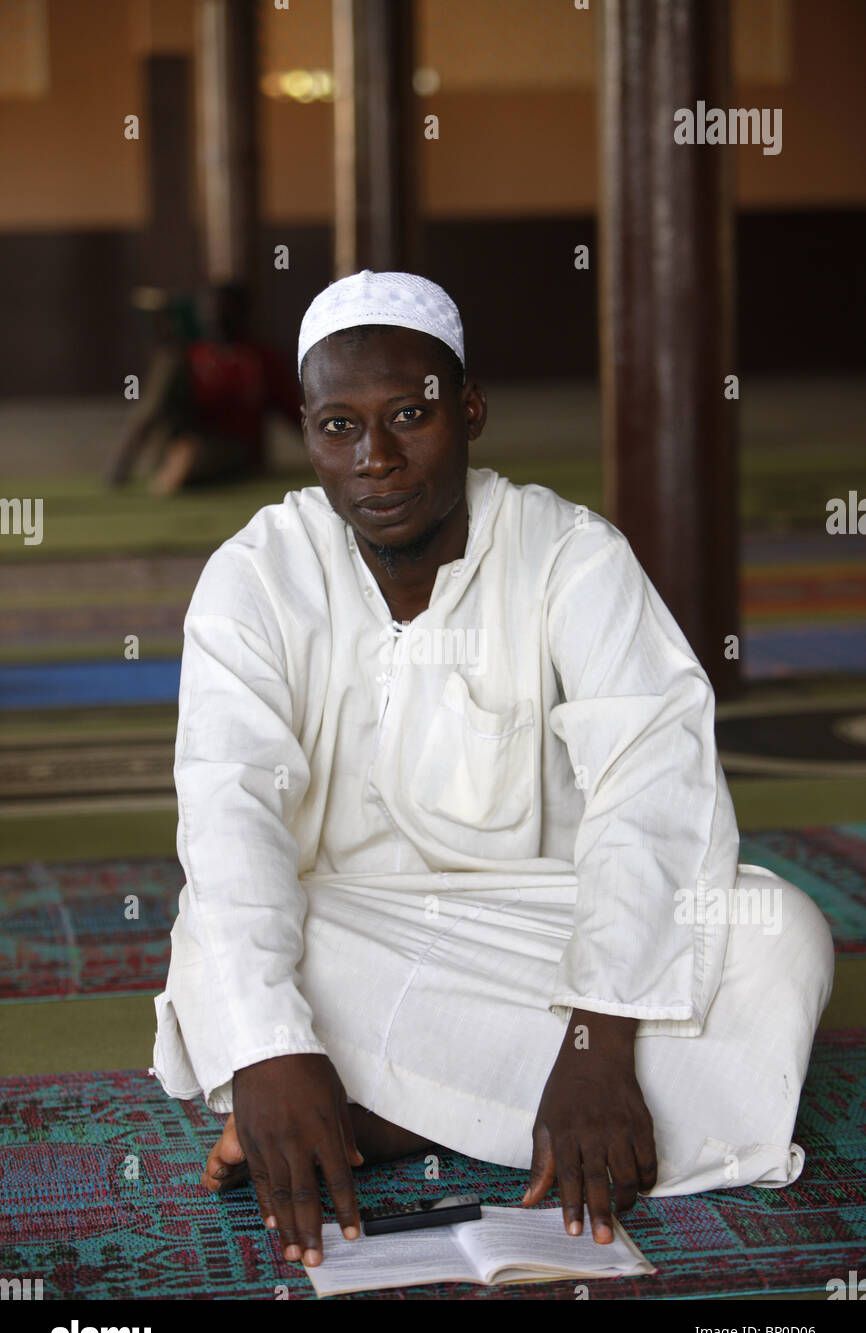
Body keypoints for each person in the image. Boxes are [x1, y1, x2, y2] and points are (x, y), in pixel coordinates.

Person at [151, 270, 834, 1271]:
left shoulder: (570, 557)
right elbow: (228, 809)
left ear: (468, 410)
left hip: (546, 929)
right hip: (347, 928)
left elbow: (656, 789)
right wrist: (271, 1048)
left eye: (410, 416)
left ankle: (396, 1121)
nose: (374, 460)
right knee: (220, 931)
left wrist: (599, 1040)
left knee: (777, 936)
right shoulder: (255, 574)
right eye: (338, 427)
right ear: (304, 432)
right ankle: (349, 1093)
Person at [107, 282, 302, 494]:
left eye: (224, 313)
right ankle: (177, 461)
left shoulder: (262, 360)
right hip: (186, 441)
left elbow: (292, 410)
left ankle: (186, 463)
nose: (215, 320)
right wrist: (121, 467)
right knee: (169, 371)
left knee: (210, 455)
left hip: (239, 451)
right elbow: (149, 413)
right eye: (209, 313)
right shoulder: (184, 359)